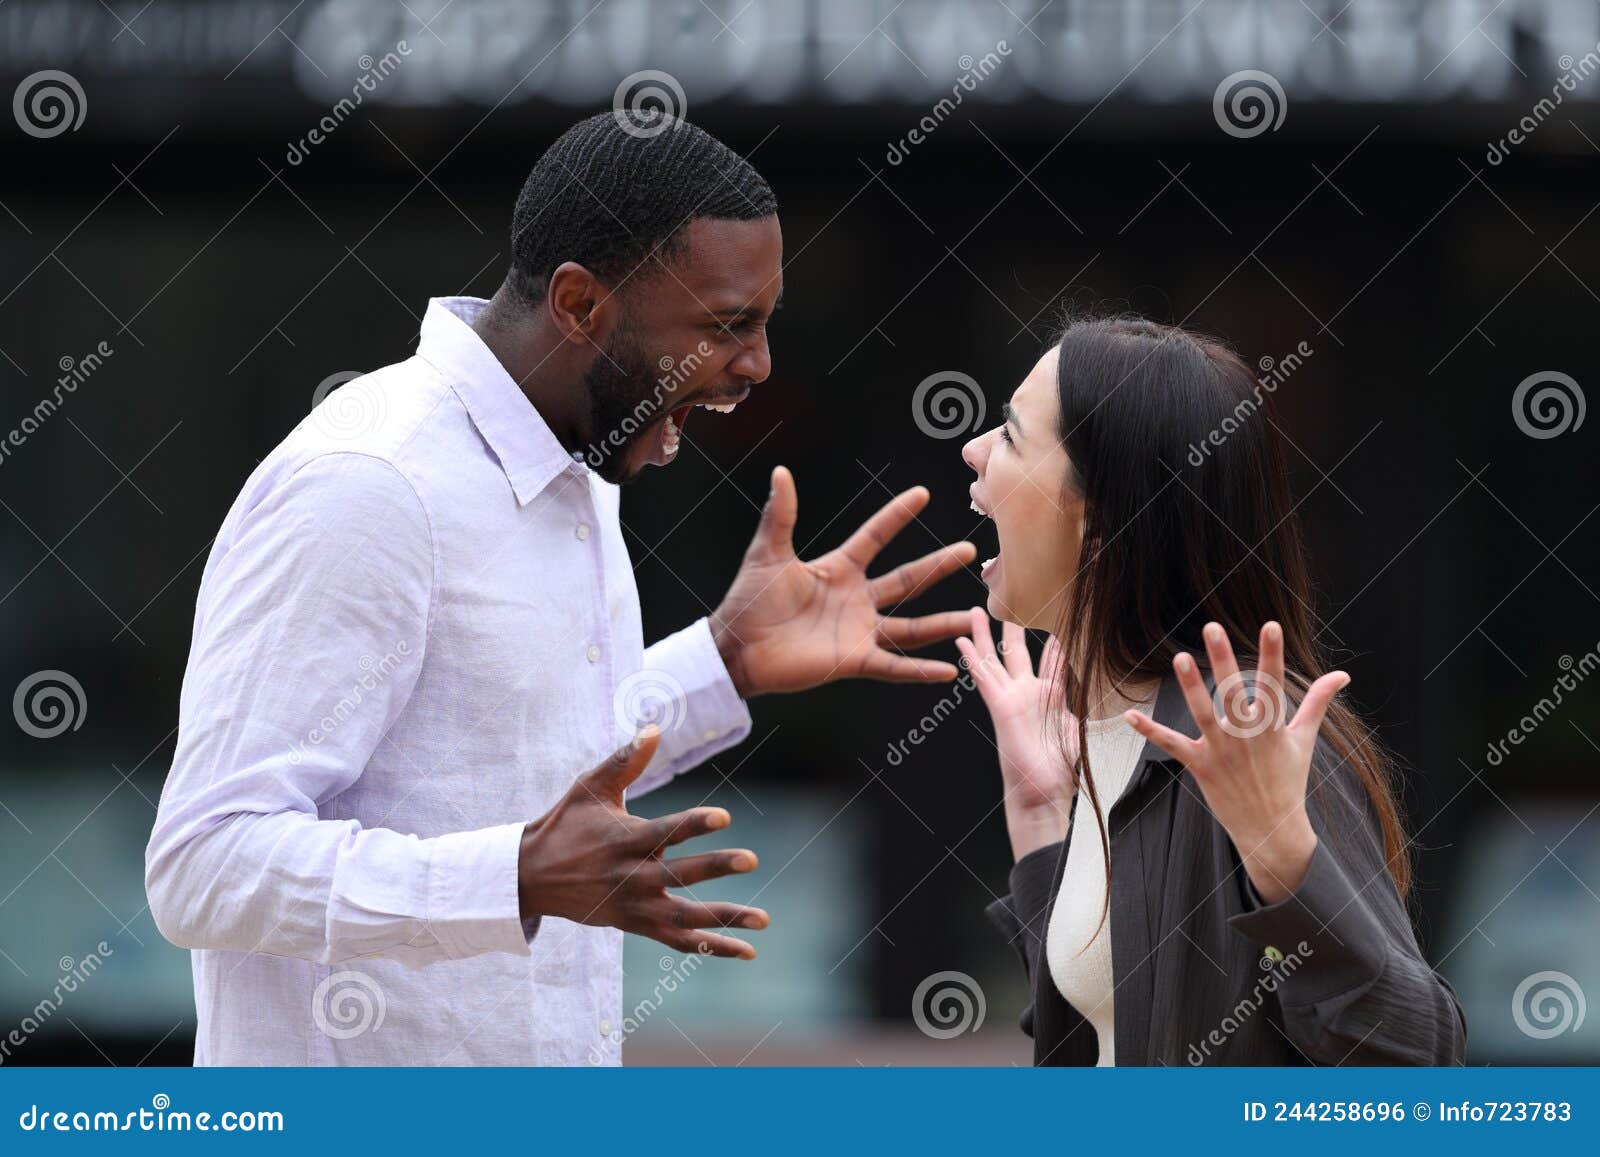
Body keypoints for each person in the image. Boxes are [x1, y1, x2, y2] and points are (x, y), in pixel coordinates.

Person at [145, 111, 975, 1065]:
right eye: (725, 325)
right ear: (582, 304)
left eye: (763, 323)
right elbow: (202, 862)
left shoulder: (574, 466)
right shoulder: (370, 483)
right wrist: (513, 877)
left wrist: (726, 662)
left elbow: (507, 770)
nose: (758, 365)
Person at [956, 315, 1467, 1065]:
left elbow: (1420, 1060)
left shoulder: (1249, 735)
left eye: (1008, 433)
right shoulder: (1108, 735)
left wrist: (1283, 854)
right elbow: (1115, 1028)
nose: (973, 450)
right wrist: (1041, 819)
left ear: (1096, 516)